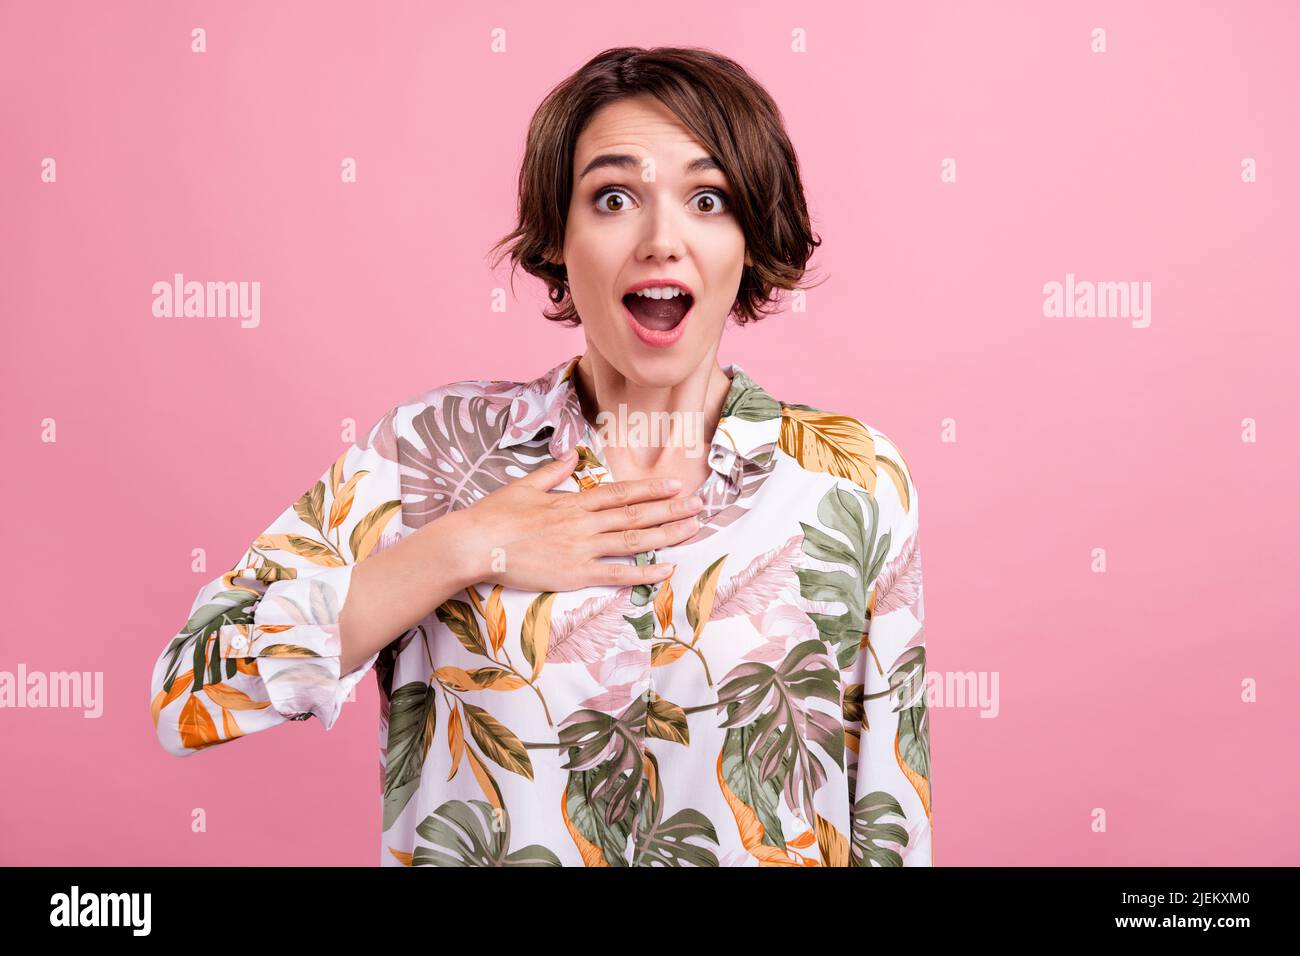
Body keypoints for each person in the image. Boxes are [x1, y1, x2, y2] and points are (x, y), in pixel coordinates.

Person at [148, 46, 929, 867]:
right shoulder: (432, 451)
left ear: (749, 236)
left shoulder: (852, 479)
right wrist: (464, 548)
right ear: (559, 233)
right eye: (614, 196)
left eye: (708, 198)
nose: (663, 240)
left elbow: (891, 818)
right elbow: (188, 699)